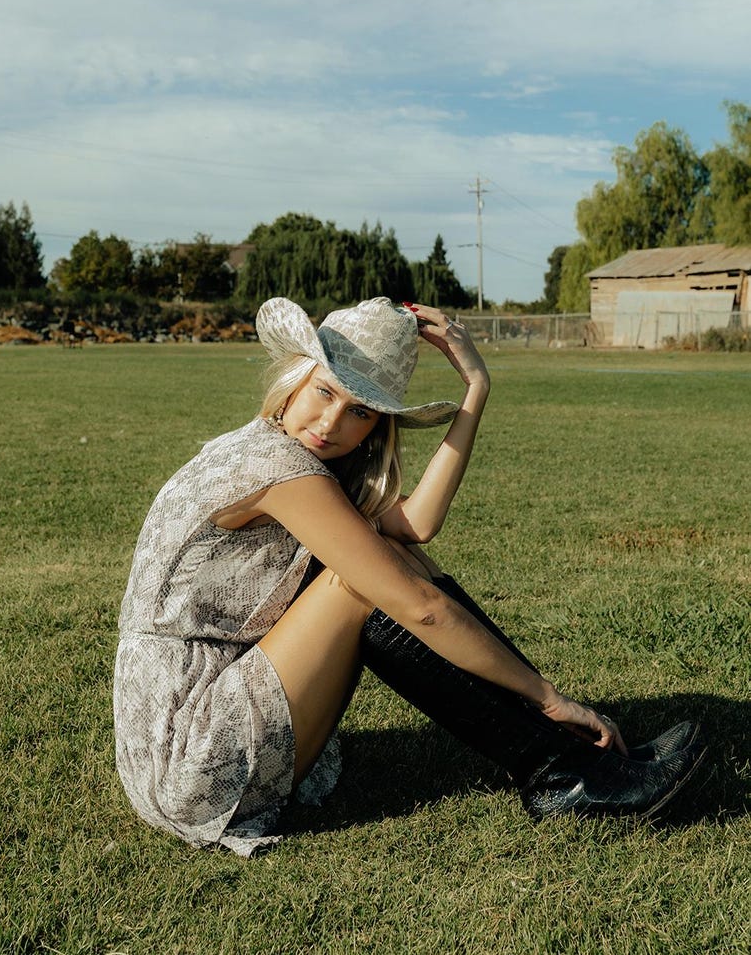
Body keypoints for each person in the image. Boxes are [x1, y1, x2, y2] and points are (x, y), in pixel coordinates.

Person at [113, 297, 705, 856]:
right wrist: (547, 696)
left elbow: (414, 526)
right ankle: (557, 767)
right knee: (360, 583)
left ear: (376, 426)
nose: (331, 423)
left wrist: (476, 390)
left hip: (198, 711)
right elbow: (420, 608)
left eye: (360, 411)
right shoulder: (277, 469)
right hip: (187, 756)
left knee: (392, 556)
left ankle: (565, 761)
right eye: (325, 391)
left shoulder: (281, 451)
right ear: (296, 377)